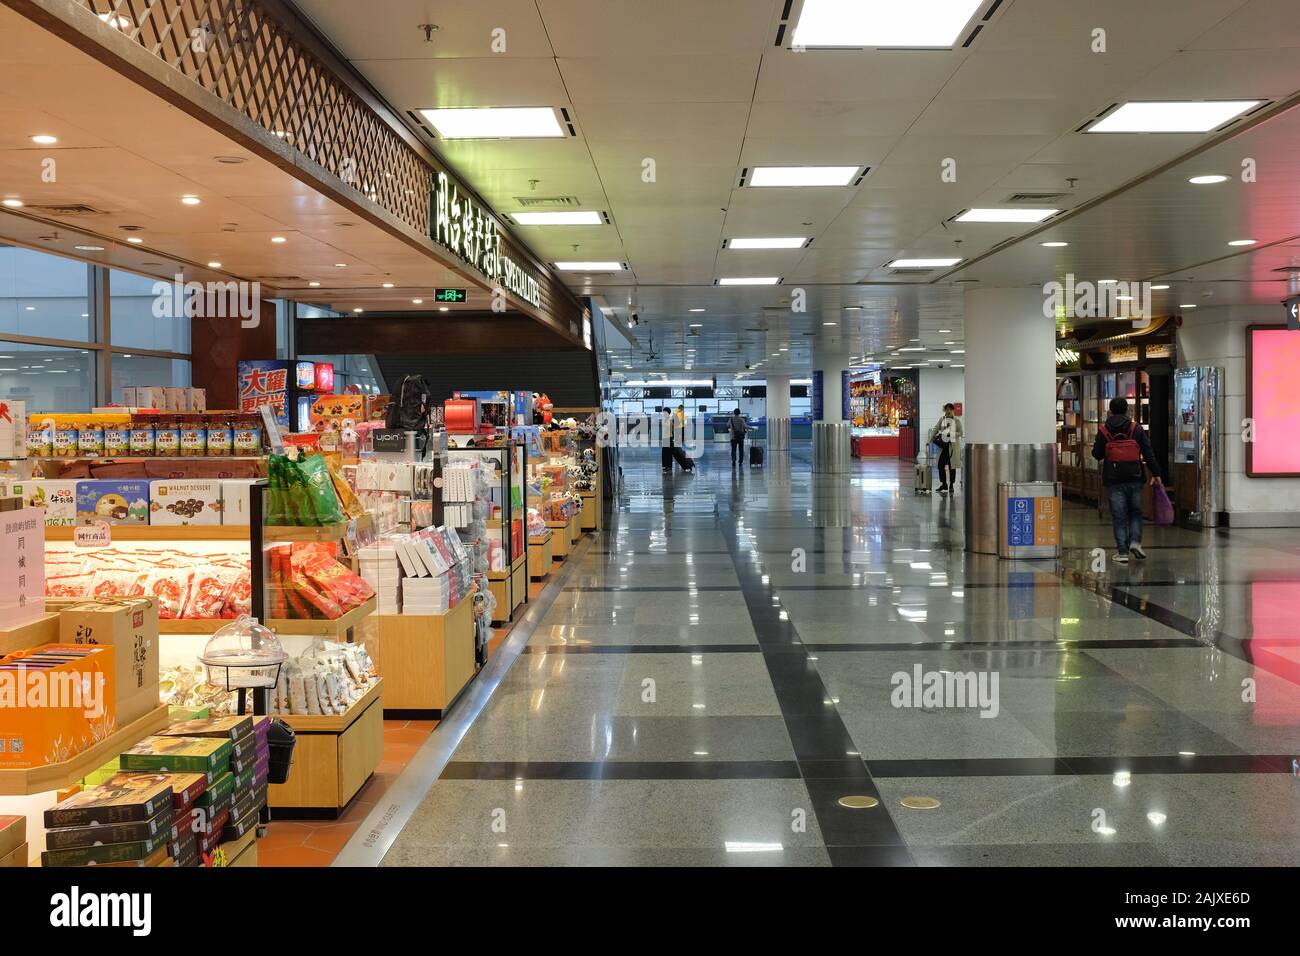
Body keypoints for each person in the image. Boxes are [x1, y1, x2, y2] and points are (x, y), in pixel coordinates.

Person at [1092, 397, 1164, 565]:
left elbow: (1097, 454)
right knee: (1135, 512)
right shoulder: (1135, 428)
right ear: (1127, 411)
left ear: (1110, 411)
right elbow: (1148, 451)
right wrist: (1156, 473)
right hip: (1135, 477)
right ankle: (1136, 542)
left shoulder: (1104, 430)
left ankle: (1122, 552)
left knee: (1118, 516)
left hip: (1114, 479)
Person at [928, 403, 963, 495]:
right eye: (946, 409)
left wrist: (951, 434)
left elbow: (961, 433)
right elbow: (935, 429)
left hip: (953, 447)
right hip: (943, 447)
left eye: (950, 410)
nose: (948, 411)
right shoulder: (942, 420)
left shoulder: (957, 421)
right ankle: (944, 484)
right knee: (940, 465)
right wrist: (929, 440)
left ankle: (951, 485)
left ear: (953, 410)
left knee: (952, 467)